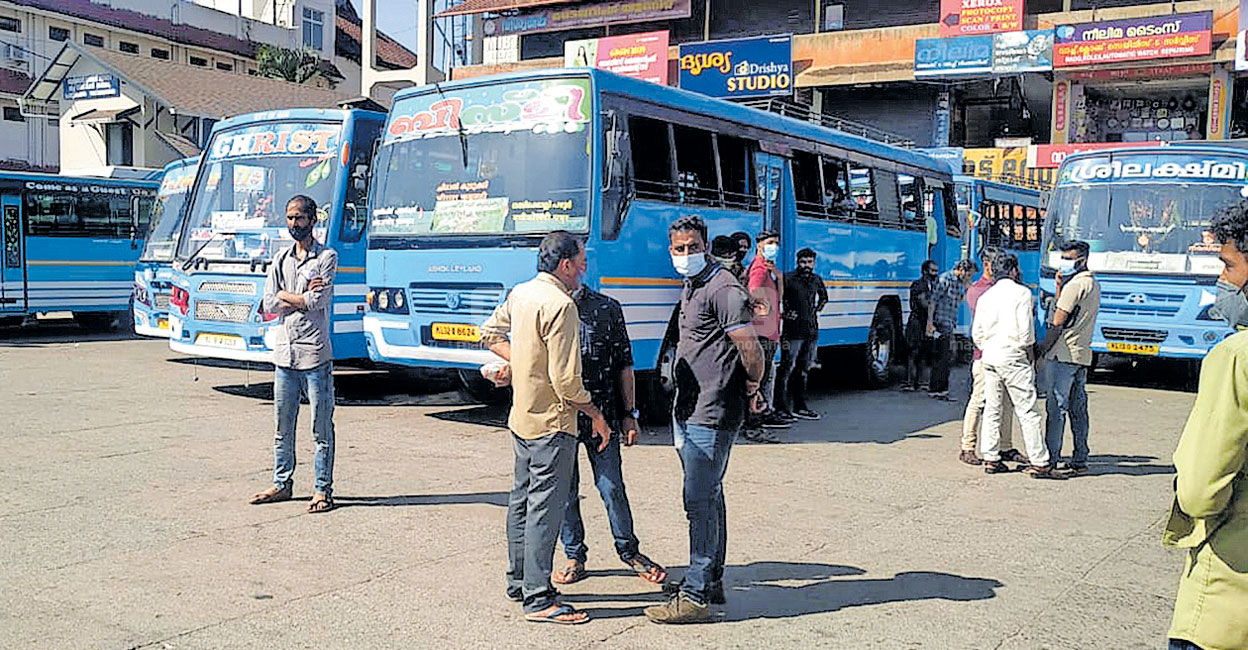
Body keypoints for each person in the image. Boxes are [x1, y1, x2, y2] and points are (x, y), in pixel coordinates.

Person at [479, 231, 611, 625]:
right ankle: (538, 597)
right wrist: (598, 415)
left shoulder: (522, 293)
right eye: (582, 259)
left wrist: (521, 365)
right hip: (553, 423)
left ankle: (518, 581)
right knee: (544, 511)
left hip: (522, 417)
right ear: (566, 264)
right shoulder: (561, 304)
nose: (585, 266)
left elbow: (489, 333)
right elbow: (568, 382)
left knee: (521, 503)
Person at [646, 216, 766, 624]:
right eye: (678, 249)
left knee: (698, 500)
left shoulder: (723, 288)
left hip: (712, 412)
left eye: (692, 247)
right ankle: (709, 579)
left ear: (706, 245)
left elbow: (751, 350)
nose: (685, 255)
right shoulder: (693, 284)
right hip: (689, 407)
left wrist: (752, 390)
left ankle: (696, 593)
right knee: (709, 495)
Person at [1163, 203, 1248, 650]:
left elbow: (1199, 489)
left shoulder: (1236, 356)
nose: (1224, 279)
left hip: (1229, 596)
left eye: (1229, 265)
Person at [550, 283, 667, 587]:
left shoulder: (607, 308)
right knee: (565, 491)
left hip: (603, 417)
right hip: (559, 418)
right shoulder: (544, 305)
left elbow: (624, 365)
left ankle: (629, 551)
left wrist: (630, 414)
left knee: (611, 486)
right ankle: (574, 555)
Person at [248, 196, 339, 514]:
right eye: (289, 218)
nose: (293, 224)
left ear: (313, 220)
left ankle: (322, 490)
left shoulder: (326, 257)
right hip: (284, 355)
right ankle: (281, 484)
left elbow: (318, 301)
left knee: (320, 428)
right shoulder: (279, 259)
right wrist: (296, 296)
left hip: (315, 356)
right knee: (282, 427)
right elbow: (269, 304)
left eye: (299, 218)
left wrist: (287, 297)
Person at [972, 253, 1060, 479]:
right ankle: (1040, 461)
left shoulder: (986, 296)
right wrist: (1031, 358)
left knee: (992, 408)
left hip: (989, 356)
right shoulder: (1022, 294)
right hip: (1013, 357)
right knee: (1027, 410)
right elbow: (1025, 334)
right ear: (1013, 270)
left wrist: (990, 347)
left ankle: (991, 457)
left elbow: (977, 335)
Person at [1037, 240, 1100, 475]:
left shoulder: (1075, 287)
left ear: (1081, 260)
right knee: (1078, 408)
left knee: (1056, 407)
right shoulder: (1092, 284)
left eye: (1068, 258)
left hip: (1063, 354)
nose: (1063, 263)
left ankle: (1050, 459)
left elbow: (1058, 322)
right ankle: (1080, 458)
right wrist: (1059, 289)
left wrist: (1041, 350)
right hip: (1081, 354)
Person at [958, 248, 1023, 466]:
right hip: (984, 356)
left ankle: (1005, 445)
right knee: (980, 400)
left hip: (1006, 354)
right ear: (987, 265)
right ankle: (968, 446)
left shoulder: (1003, 288)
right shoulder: (979, 291)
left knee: (1006, 403)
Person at [744, 230, 789, 439]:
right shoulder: (759, 269)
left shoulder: (769, 270)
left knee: (762, 377)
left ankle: (757, 421)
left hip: (769, 332)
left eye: (776, 243)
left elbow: (778, 297)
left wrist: (778, 277)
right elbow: (752, 293)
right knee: (758, 380)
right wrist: (762, 310)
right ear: (759, 245)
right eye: (770, 243)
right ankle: (753, 426)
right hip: (762, 332)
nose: (774, 247)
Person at [775, 247, 827, 421]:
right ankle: (780, 407)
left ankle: (800, 406)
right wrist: (785, 313)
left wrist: (815, 310)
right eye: (803, 262)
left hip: (811, 331)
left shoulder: (816, 280)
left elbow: (824, 297)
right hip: (791, 332)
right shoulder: (788, 279)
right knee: (785, 369)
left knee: (803, 370)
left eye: (809, 262)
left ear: (814, 262)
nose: (806, 265)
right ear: (797, 262)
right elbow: (776, 298)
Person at [928, 259, 977, 400]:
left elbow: (957, 301)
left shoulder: (959, 283)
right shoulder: (945, 279)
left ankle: (942, 388)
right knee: (942, 356)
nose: (969, 278)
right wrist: (930, 322)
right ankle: (937, 388)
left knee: (947, 356)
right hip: (941, 321)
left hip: (950, 321)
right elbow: (933, 300)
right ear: (962, 270)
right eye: (969, 274)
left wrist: (967, 290)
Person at [904, 260, 939, 391]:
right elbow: (924, 303)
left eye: (936, 271)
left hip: (927, 322)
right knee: (914, 352)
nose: (935, 274)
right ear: (925, 271)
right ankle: (910, 382)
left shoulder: (933, 285)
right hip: (917, 321)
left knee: (925, 352)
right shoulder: (919, 285)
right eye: (932, 271)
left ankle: (922, 382)